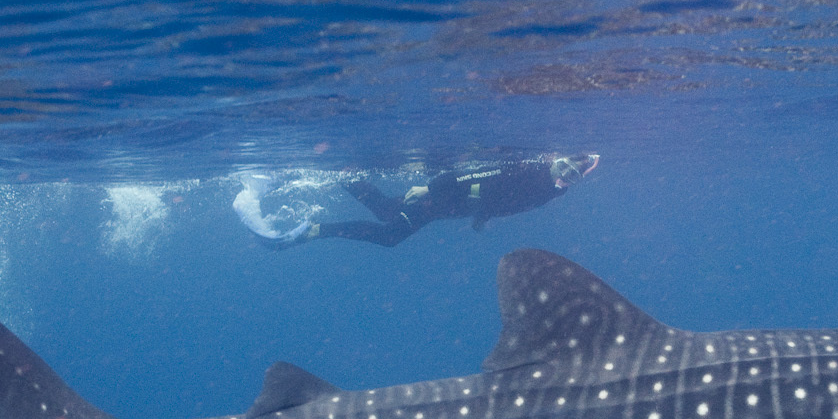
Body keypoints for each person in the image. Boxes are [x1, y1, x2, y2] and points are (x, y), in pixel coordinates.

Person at [239, 153, 600, 249]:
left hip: (454, 207)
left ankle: (342, 175)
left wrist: (483, 216)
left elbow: (508, 203)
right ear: (557, 159)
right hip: (445, 197)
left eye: (572, 177)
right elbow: (474, 175)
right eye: (564, 168)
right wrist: (431, 189)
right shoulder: (527, 168)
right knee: (390, 233)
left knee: (387, 213)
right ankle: (315, 227)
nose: (563, 177)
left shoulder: (552, 190)